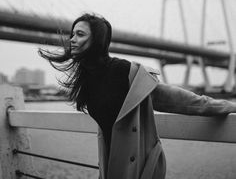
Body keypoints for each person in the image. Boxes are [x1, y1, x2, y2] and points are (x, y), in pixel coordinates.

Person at [39, 13, 236, 179]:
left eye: (79, 34)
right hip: (111, 167)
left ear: (97, 40)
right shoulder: (88, 79)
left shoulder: (123, 71)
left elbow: (174, 98)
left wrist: (224, 106)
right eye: (72, 34)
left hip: (141, 167)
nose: (72, 39)